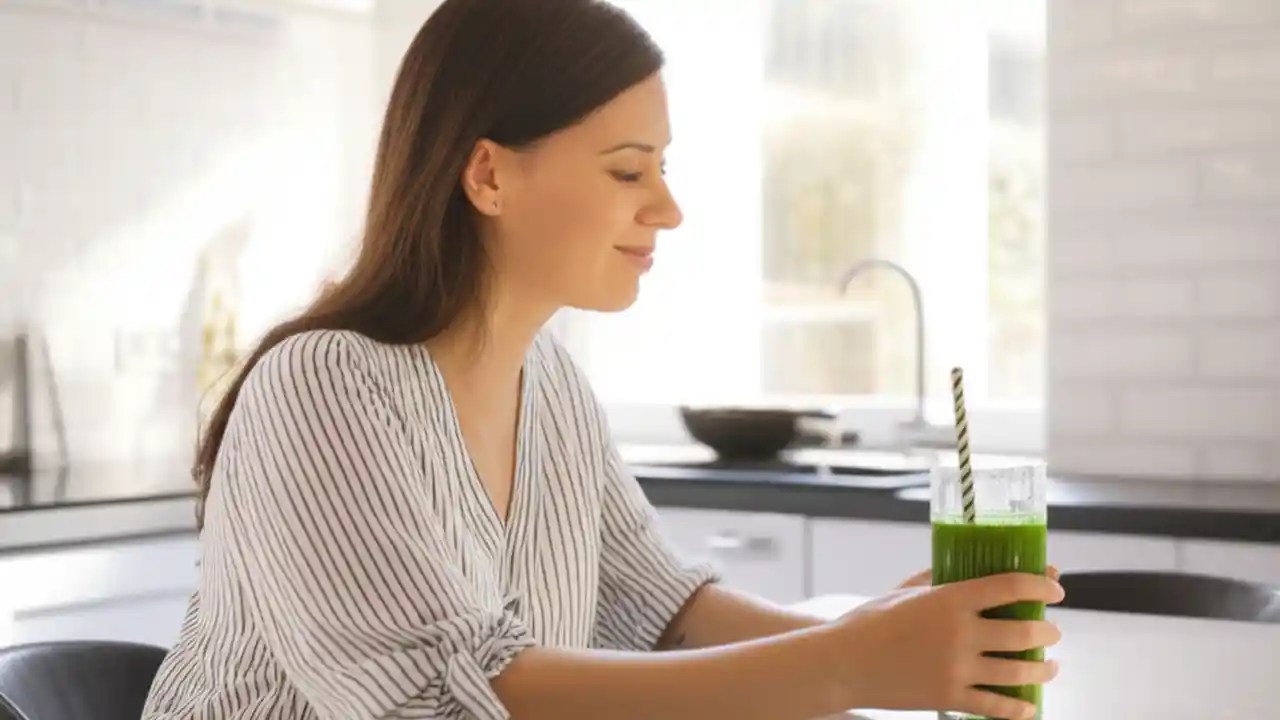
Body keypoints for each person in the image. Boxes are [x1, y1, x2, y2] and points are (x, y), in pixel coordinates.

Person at [141, 1, 1063, 718]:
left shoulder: (549, 385)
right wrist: (847, 662)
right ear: (489, 175)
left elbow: (658, 612)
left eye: (663, 167)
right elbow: (440, 703)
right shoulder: (324, 387)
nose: (667, 207)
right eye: (628, 170)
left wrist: (879, 639)